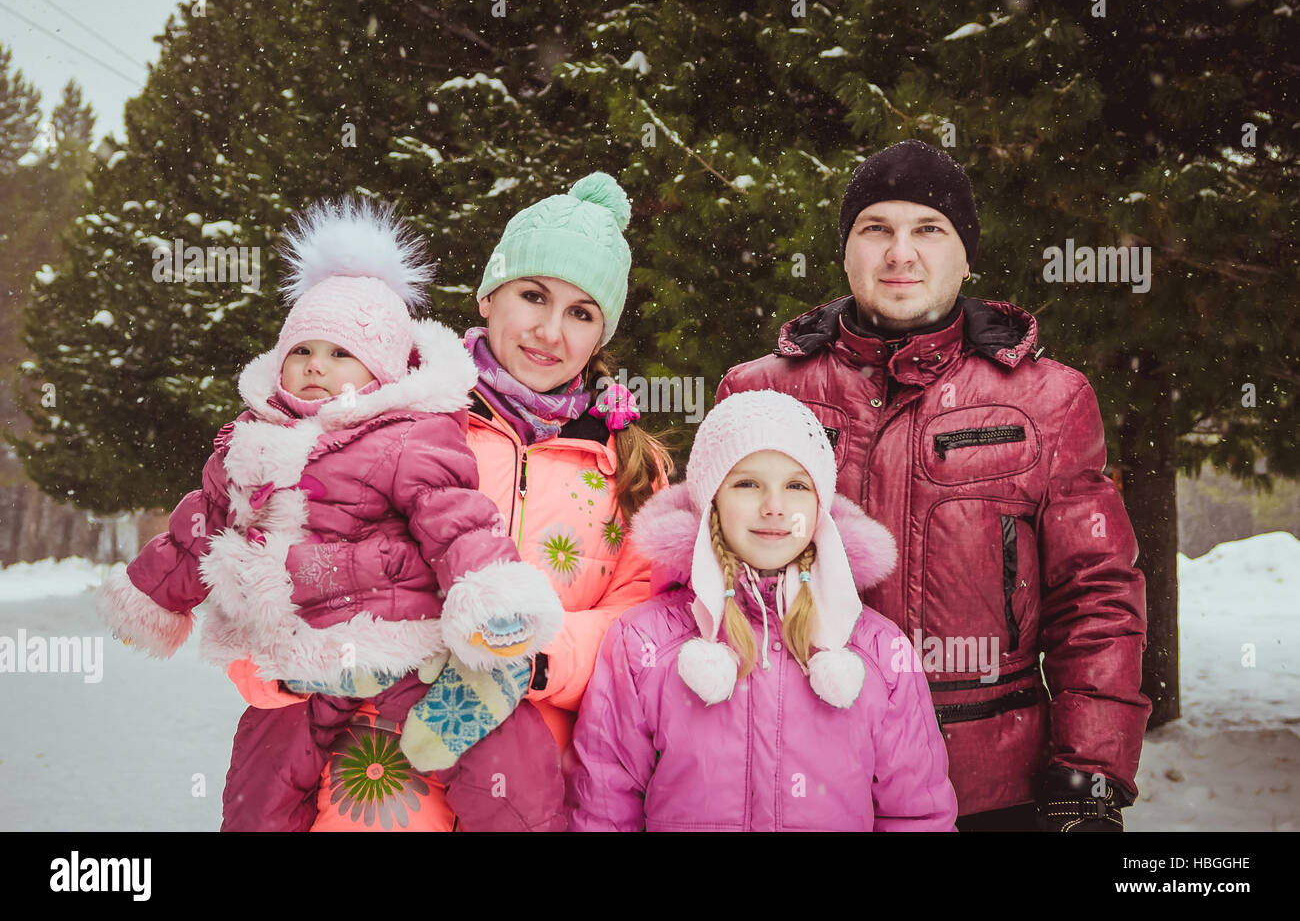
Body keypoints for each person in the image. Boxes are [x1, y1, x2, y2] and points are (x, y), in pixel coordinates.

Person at [716, 140, 1151, 831]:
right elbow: (706, 584)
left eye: (928, 229)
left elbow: (1095, 595)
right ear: (847, 250)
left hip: (989, 789)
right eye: (876, 229)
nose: (900, 252)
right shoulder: (761, 390)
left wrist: (1090, 772)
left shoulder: (1048, 400)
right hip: (798, 779)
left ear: (965, 254)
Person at [97, 197, 567, 832]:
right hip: (299, 658)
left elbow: (456, 519)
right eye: (304, 350)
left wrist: (490, 596)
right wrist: (155, 599)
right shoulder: (248, 444)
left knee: (509, 767)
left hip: (400, 643)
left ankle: (478, 724)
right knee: (259, 784)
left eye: (341, 354)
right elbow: (197, 530)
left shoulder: (409, 436)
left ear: (382, 372)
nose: (317, 365)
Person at [230, 171, 675, 830]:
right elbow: (260, 566)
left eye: (581, 313)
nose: (550, 331)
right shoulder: (385, 415)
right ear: (489, 294)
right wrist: (289, 667)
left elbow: (645, 627)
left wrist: (536, 657)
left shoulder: (631, 466)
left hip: (533, 788)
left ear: (600, 335)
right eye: (533, 294)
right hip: (371, 785)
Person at [566, 390, 956, 830]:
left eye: (795, 486)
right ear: (712, 501)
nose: (774, 506)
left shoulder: (880, 651)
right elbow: (603, 808)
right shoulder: (643, 643)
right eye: (747, 483)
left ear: (819, 506)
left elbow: (917, 816)